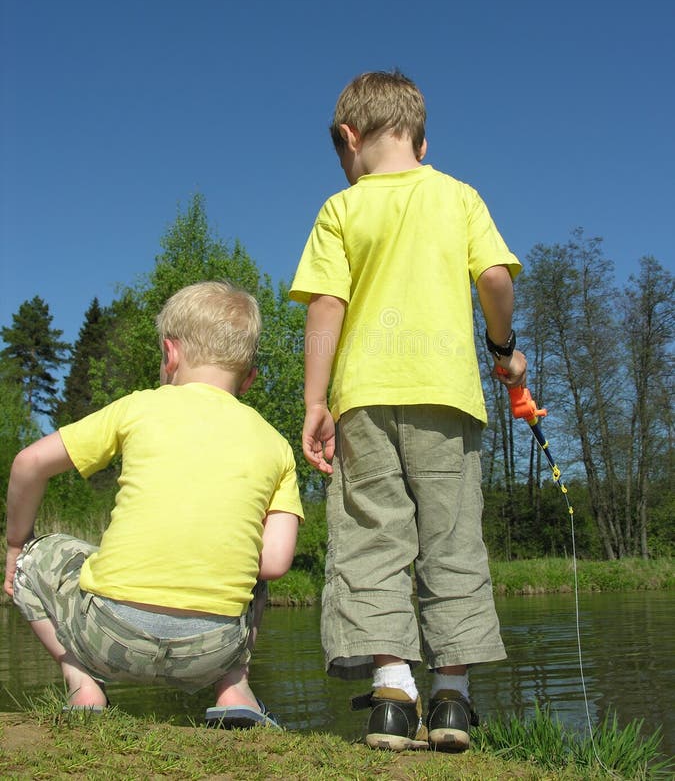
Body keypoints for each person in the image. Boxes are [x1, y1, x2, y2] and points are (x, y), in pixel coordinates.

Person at [289, 70, 527, 752]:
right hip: (446, 398)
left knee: (372, 539)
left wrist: (313, 402)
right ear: (420, 143)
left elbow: (326, 306)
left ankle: (392, 696)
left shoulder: (340, 209)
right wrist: (501, 346)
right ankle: (451, 700)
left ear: (347, 137)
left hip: (361, 399)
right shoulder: (458, 196)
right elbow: (494, 278)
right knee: (451, 538)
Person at [4, 280, 304, 728]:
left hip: (108, 636)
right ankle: (234, 691)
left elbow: (29, 464)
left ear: (170, 354)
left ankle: (83, 685)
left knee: (32, 557)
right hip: (212, 648)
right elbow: (276, 561)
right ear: (250, 378)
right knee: (255, 578)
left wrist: (14, 545)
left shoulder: (138, 407)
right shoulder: (276, 444)